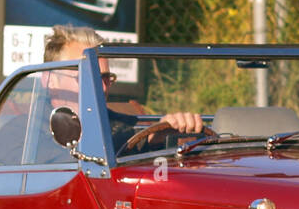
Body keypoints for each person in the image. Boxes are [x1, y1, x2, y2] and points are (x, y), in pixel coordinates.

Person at [42, 24, 202, 154]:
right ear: (51, 80)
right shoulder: (27, 135)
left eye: (106, 78)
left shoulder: (123, 127)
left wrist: (156, 140)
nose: (102, 88)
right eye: (85, 77)